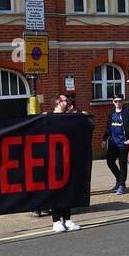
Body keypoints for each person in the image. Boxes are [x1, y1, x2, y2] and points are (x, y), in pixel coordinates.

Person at [47, 98, 80, 232]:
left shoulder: (69, 118)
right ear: (58, 102)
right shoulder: (48, 118)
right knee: (56, 190)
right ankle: (56, 220)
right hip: (53, 159)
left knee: (68, 189)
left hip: (67, 157)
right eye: (65, 100)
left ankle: (67, 219)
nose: (68, 102)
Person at [103, 95, 129, 194]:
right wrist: (104, 139)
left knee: (122, 163)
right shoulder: (111, 113)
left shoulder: (127, 113)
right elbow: (108, 127)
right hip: (112, 142)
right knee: (110, 162)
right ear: (113, 102)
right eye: (116, 101)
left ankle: (121, 185)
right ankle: (119, 179)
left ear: (123, 101)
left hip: (123, 142)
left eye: (120, 101)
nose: (118, 103)